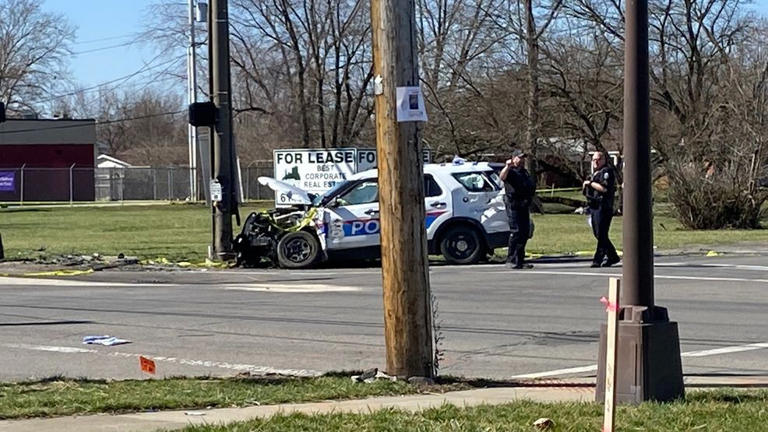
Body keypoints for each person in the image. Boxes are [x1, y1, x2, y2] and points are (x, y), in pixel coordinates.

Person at [583, 151, 620, 268]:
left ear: (603, 160)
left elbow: (604, 189)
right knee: (598, 234)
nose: (596, 162)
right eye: (594, 160)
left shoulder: (606, 172)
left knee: (601, 233)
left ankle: (597, 259)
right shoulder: (594, 174)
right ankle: (612, 256)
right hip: (594, 207)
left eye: (598, 159)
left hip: (603, 207)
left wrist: (590, 183)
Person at [500, 149, 535, 269]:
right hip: (513, 204)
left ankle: (520, 259)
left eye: (523, 158)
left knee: (524, 232)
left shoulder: (524, 172)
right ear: (514, 158)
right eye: (520, 157)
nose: (522, 160)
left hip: (524, 205)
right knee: (516, 231)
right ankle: (511, 259)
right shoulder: (510, 171)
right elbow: (502, 177)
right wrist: (507, 166)